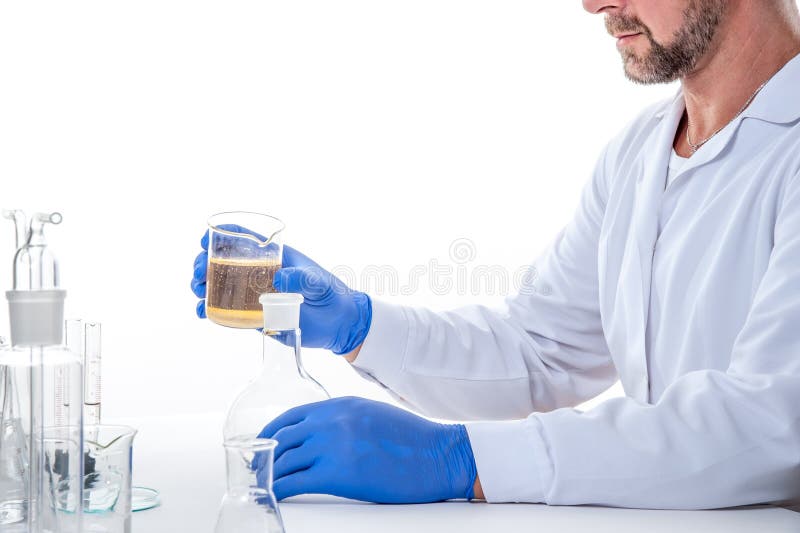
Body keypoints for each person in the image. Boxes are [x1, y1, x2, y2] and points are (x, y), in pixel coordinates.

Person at [191, 0, 800, 509]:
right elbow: (543, 349)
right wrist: (362, 326)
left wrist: (464, 458)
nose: (593, 4)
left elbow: (771, 422)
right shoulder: (640, 152)